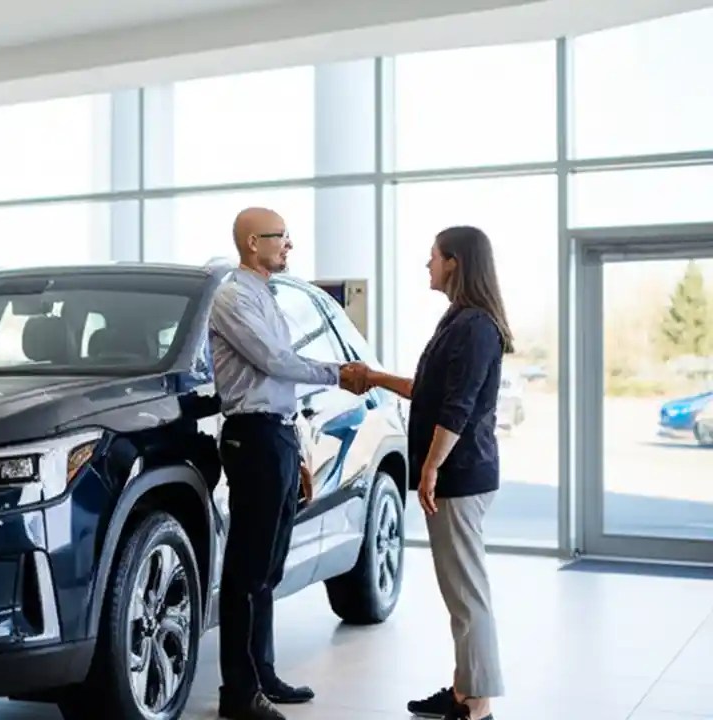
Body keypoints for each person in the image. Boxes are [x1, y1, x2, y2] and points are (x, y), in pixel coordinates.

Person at [208, 207, 369, 720]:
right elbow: (274, 361)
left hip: (275, 435)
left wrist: (296, 447)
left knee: (269, 568)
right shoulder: (234, 297)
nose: (289, 247)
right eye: (282, 238)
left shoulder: (266, 295)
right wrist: (338, 373)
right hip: (251, 438)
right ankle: (238, 693)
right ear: (253, 243)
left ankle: (263, 674)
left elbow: (281, 386)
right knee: (246, 571)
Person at [358, 225, 513, 720]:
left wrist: (429, 468)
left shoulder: (474, 326)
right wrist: (374, 377)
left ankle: (477, 703)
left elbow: (457, 407)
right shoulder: (459, 321)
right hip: (457, 472)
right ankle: (464, 689)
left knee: (467, 595)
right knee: (460, 592)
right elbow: (428, 390)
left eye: (433, 257)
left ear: (455, 263)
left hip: (459, 474)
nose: (427, 265)